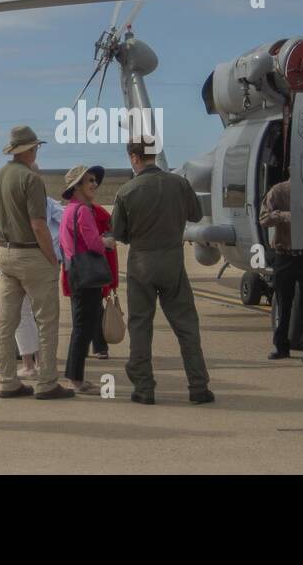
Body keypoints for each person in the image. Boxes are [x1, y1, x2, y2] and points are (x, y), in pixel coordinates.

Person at [112, 139, 213, 405]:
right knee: (186, 326)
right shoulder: (179, 183)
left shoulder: (126, 191)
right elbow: (196, 214)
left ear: (134, 157)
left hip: (141, 263)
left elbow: (119, 234)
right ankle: (199, 386)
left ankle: (144, 388)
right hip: (173, 261)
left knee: (141, 326)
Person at [0, 126, 74, 401]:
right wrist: (51, 257)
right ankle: (47, 381)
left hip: (6, 253)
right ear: (30, 149)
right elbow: (38, 225)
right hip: (31, 253)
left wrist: (2, 245)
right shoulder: (31, 179)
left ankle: (8, 380)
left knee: (7, 321)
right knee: (47, 320)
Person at [58, 164, 115, 395]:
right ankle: (75, 378)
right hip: (87, 274)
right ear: (77, 186)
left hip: (74, 271)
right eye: (89, 181)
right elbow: (93, 243)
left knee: (81, 326)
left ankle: (75, 376)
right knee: (83, 327)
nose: (94, 185)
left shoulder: (69, 210)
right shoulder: (83, 210)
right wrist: (107, 243)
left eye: (94, 181)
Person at [259, 172, 303, 361]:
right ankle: (282, 346)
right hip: (285, 254)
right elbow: (264, 219)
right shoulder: (278, 191)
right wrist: (283, 216)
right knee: (284, 303)